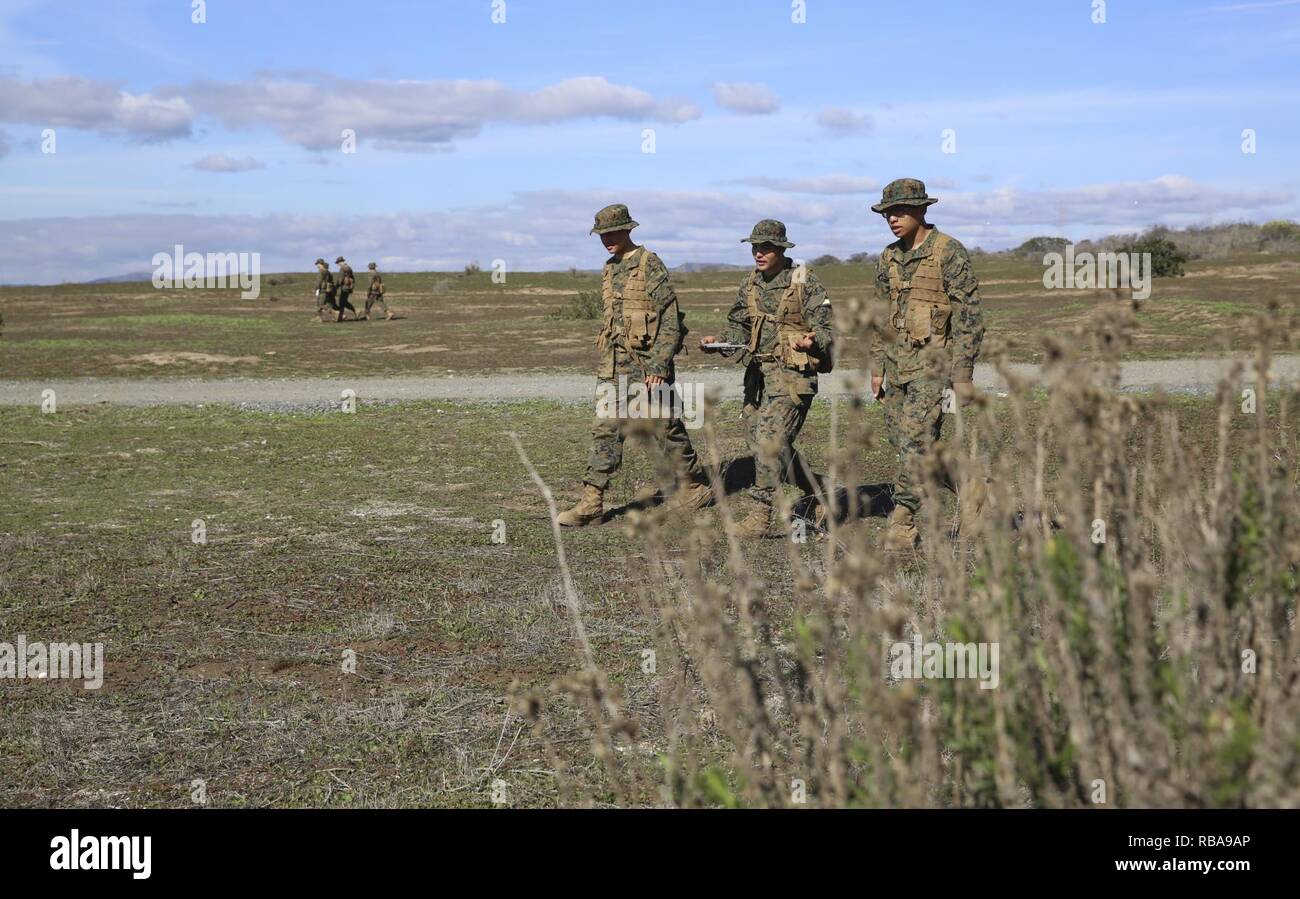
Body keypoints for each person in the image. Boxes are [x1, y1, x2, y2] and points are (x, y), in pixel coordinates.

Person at [556, 204, 712, 527]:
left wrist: (658, 366)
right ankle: (592, 502)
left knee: (666, 428)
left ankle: (694, 486)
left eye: (612, 233)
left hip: (647, 365)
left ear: (628, 230)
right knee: (605, 429)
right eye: (602, 235)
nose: (607, 240)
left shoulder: (649, 263)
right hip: (614, 366)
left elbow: (671, 320)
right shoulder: (610, 268)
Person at [869, 179, 987, 550]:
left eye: (900, 211)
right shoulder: (887, 257)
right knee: (907, 444)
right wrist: (876, 368)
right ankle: (971, 491)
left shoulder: (949, 252)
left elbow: (969, 316)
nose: (892, 218)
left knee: (916, 443)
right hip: (896, 366)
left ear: (922, 210)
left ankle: (903, 524)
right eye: (888, 212)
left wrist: (963, 374)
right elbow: (878, 316)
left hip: (933, 365)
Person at [698, 220, 834, 537]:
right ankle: (818, 490)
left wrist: (813, 341)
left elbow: (826, 327)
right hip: (758, 379)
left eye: (766, 248)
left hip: (792, 377)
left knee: (770, 443)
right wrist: (717, 342)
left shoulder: (804, 280)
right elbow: (738, 326)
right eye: (755, 247)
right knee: (766, 442)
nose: (759, 253)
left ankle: (761, 515)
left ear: (782, 249)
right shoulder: (750, 283)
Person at [334, 256, 359, 321]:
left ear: (341, 262)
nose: (338, 264)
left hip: (344, 287)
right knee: (344, 302)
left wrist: (336, 287)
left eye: (338, 263)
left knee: (342, 302)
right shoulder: (349, 268)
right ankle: (342, 316)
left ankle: (340, 317)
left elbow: (340, 279)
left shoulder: (342, 268)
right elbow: (353, 278)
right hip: (349, 287)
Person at [313, 258, 337, 322]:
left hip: (322, 290)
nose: (317, 266)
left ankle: (335, 313)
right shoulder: (327, 271)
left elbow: (319, 281)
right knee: (320, 304)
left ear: (320, 264)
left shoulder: (321, 271)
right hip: (327, 289)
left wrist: (316, 288)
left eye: (317, 264)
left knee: (321, 304)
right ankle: (318, 317)